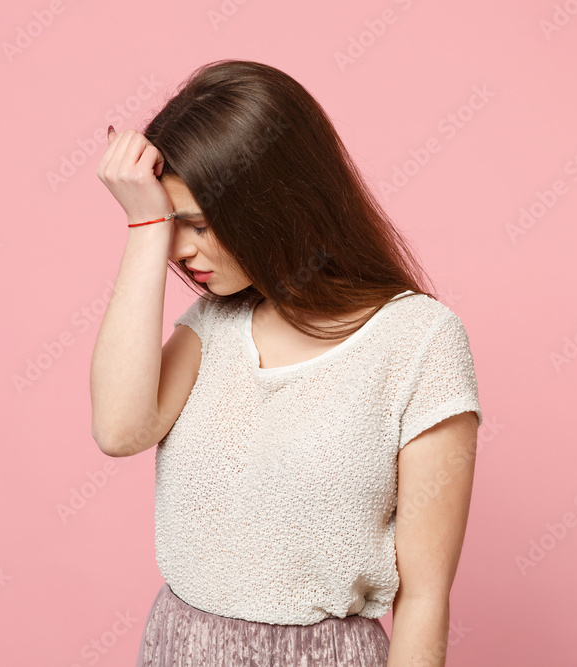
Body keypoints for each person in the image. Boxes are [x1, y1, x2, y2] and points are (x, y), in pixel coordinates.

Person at [89, 59, 483, 667]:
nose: (179, 250)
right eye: (171, 225)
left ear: (273, 204)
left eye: (195, 224)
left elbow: (425, 597)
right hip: (176, 649)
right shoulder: (213, 327)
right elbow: (118, 429)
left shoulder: (419, 342)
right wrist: (145, 222)